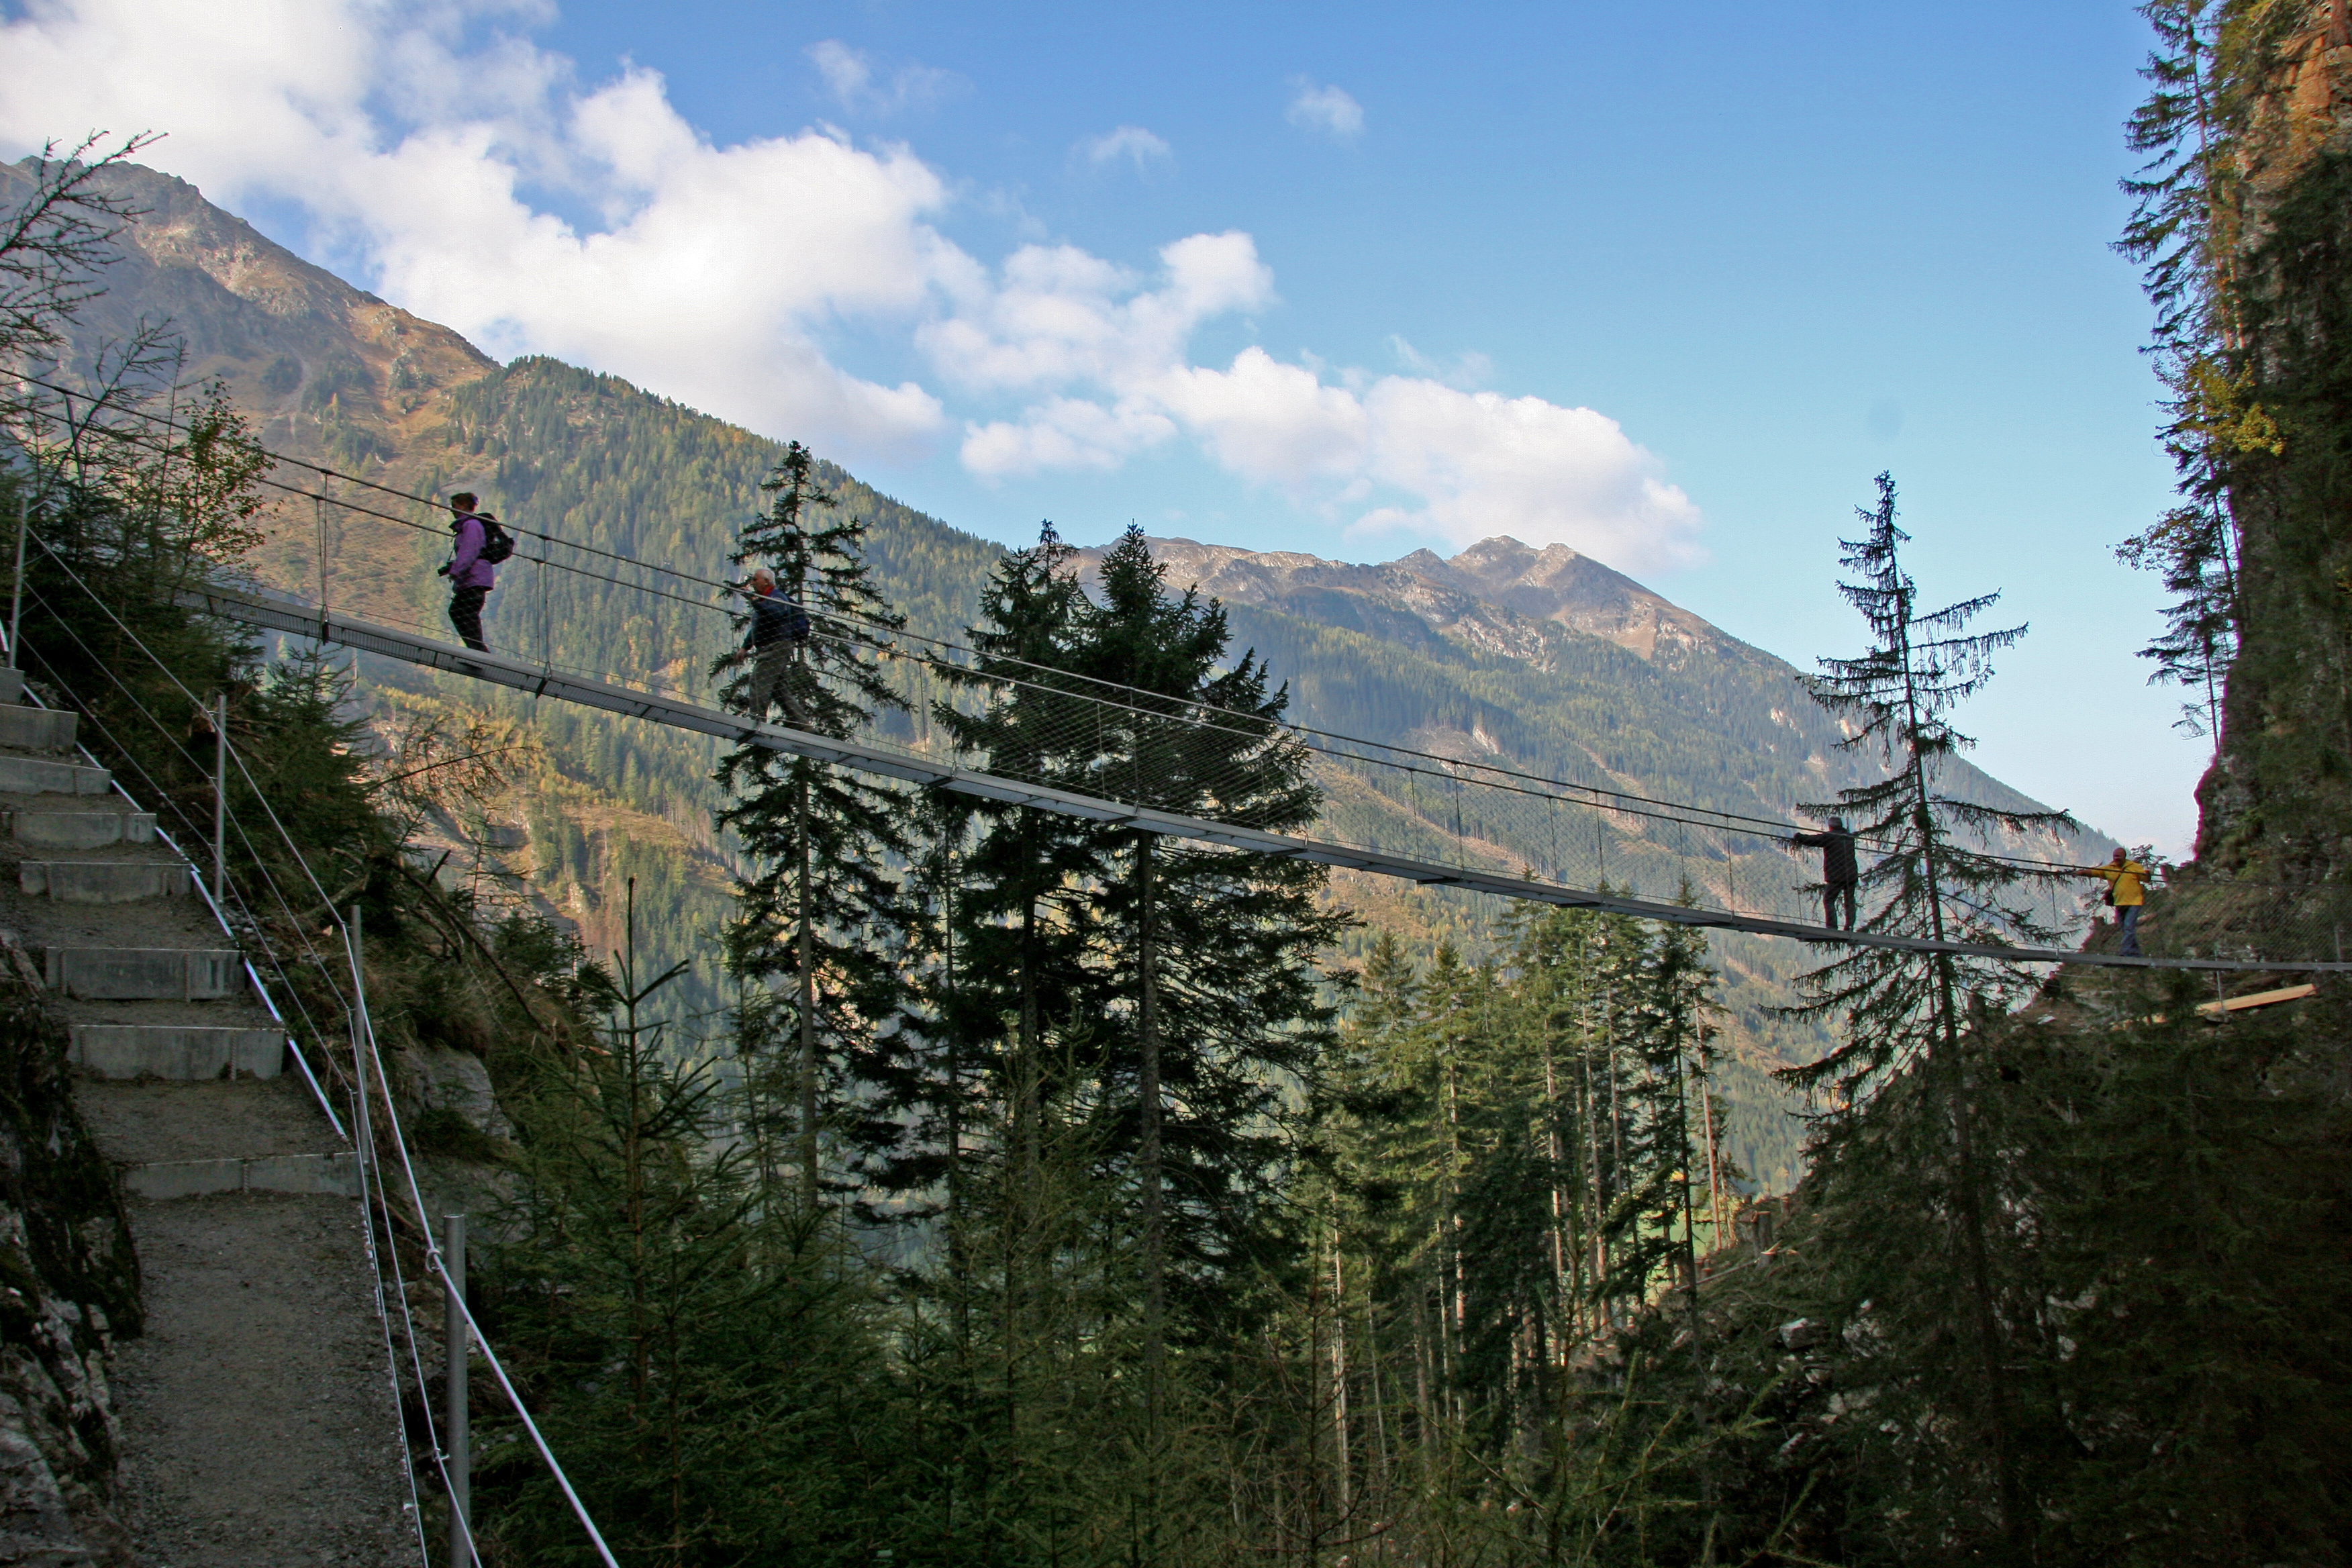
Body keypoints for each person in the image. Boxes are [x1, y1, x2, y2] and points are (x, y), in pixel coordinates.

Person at [738, 568, 810, 723]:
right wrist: (745, 647)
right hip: (773, 646)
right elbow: (758, 628)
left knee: (758, 681)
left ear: (766, 581)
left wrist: (754, 601)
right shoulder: (764, 600)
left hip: (776, 645)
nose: (752, 582)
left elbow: (774, 614)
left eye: (755, 579)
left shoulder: (777, 597)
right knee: (779, 690)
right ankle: (803, 724)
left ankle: (757, 721)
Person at [438, 492, 495, 652]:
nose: (452, 510)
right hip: (474, 578)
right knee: (465, 613)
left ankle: (478, 652)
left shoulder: (471, 525)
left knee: (462, 612)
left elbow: (469, 551)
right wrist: (452, 567)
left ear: (463, 506)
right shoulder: (469, 526)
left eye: (454, 506)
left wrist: (456, 571)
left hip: (474, 578)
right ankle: (477, 650)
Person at [2077, 847, 2152, 957]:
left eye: (2119, 856)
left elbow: (2145, 879)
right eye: (2115, 856)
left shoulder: (2134, 867)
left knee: (2128, 928)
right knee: (2126, 929)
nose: (2116, 858)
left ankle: (2125, 952)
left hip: (2134, 902)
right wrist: (2081, 872)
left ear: (2124, 857)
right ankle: (2136, 953)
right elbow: (2095, 872)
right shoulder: (2110, 869)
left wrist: (2148, 874)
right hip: (2120, 903)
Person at [1790, 816, 1859, 930]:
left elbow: (1813, 841)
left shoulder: (1830, 837)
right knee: (1850, 902)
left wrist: (1799, 837)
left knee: (1829, 899)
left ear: (1830, 826)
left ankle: (1832, 927)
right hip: (1851, 874)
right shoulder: (1849, 837)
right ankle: (1850, 926)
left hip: (1836, 875)